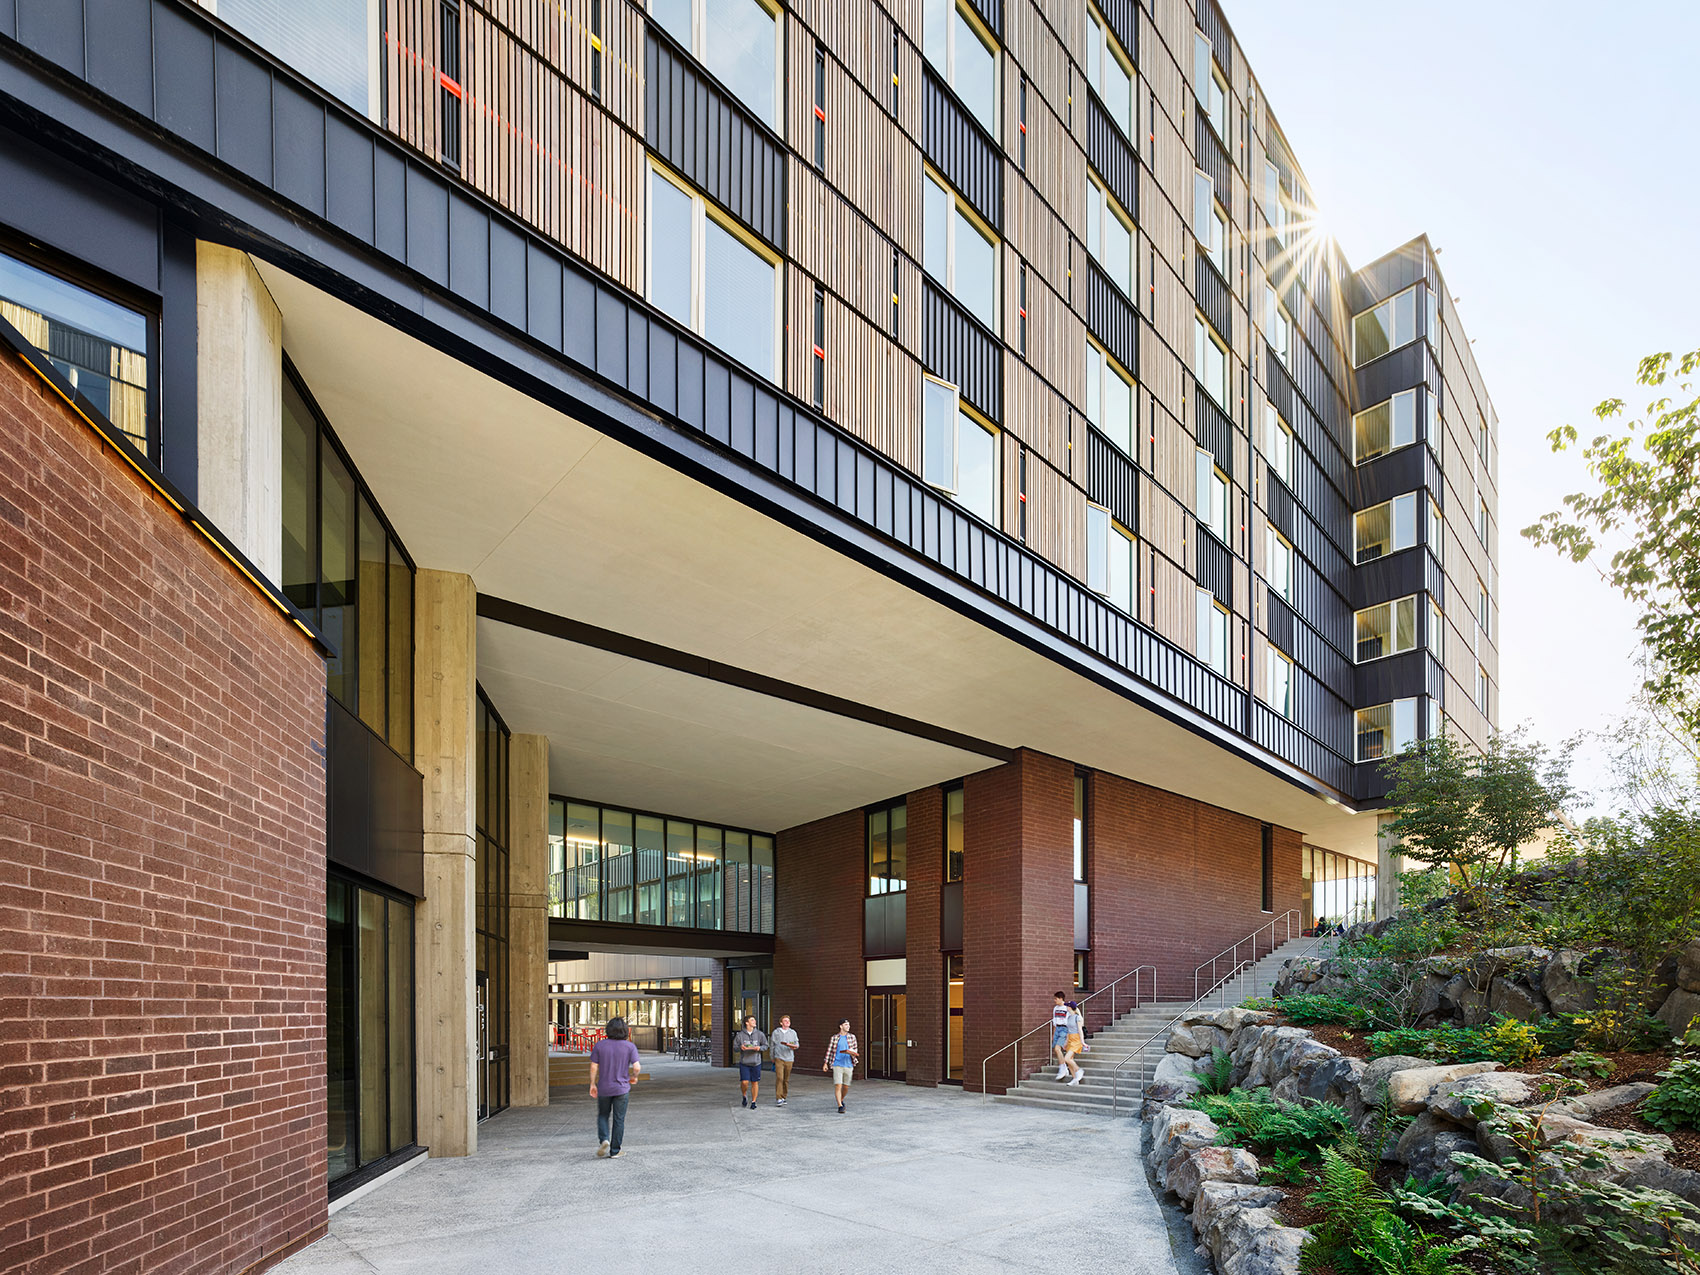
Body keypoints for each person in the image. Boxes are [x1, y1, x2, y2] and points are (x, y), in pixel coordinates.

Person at [587, 1016, 642, 1158]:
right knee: (619, 1119)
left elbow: (594, 1067)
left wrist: (593, 1084)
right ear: (625, 1031)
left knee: (603, 1115)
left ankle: (604, 1139)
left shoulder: (600, 1045)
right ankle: (615, 1151)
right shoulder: (630, 1046)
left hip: (604, 1087)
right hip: (622, 1088)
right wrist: (634, 1077)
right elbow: (637, 1067)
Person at [733, 1014, 768, 1109]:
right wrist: (740, 1047)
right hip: (744, 1062)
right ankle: (744, 1095)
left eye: (754, 1020)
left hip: (756, 1062)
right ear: (747, 1023)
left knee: (754, 1082)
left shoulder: (760, 1034)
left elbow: (765, 1045)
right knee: (744, 1082)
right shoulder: (740, 1035)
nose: (755, 1021)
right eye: (752, 1020)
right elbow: (735, 1048)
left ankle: (753, 1101)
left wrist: (759, 1048)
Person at [822, 1019, 858, 1113]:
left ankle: (841, 1099)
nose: (848, 1026)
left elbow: (855, 1051)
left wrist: (852, 1053)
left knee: (846, 1086)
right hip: (837, 1064)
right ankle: (840, 1106)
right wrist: (826, 1063)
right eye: (846, 1025)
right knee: (838, 1085)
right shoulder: (834, 1038)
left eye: (849, 1025)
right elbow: (829, 1051)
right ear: (841, 1026)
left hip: (849, 1064)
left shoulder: (852, 1037)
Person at [769, 1014, 800, 1106]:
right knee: (780, 1078)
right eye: (785, 1021)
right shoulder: (776, 1032)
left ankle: (784, 1096)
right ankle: (778, 1097)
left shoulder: (793, 1032)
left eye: (788, 1021)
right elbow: (772, 1045)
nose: (787, 1022)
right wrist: (772, 1057)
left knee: (786, 1079)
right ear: (781, 1023)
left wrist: (792, 1046)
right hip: (779, 1057)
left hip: (789, 1058)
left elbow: (797, 1045)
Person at [1060, 1000, 1085, 1086]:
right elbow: (1068, 1031)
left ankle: (1078, 1070)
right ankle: (1075, 1079)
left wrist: (1082, 1042)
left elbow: (1080, 1030)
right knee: (1069, 1060)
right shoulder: (1069, 1017)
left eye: (1067, 1006)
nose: (1066, 1007)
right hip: (1070, 1038)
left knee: (1067, 1058)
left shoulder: (1077, 1017)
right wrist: (1066, 1042)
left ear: (1070, 1007)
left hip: (1076, 1039)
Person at [1051, 990, 1071, 1080]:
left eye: (1056, 999)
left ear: (1061, 999)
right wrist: (1053, 1034)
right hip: (1058, 1029)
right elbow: (1054, 1021)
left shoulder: (1067, 1008)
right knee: (1056, 1049)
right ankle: (1063, 1067)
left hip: (1064, 1029)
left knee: (1057, 1048)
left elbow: (1070, 1023)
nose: (1054, 1000)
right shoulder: (1055, 1008)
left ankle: (1063, 1068)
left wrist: (1068, 1037)